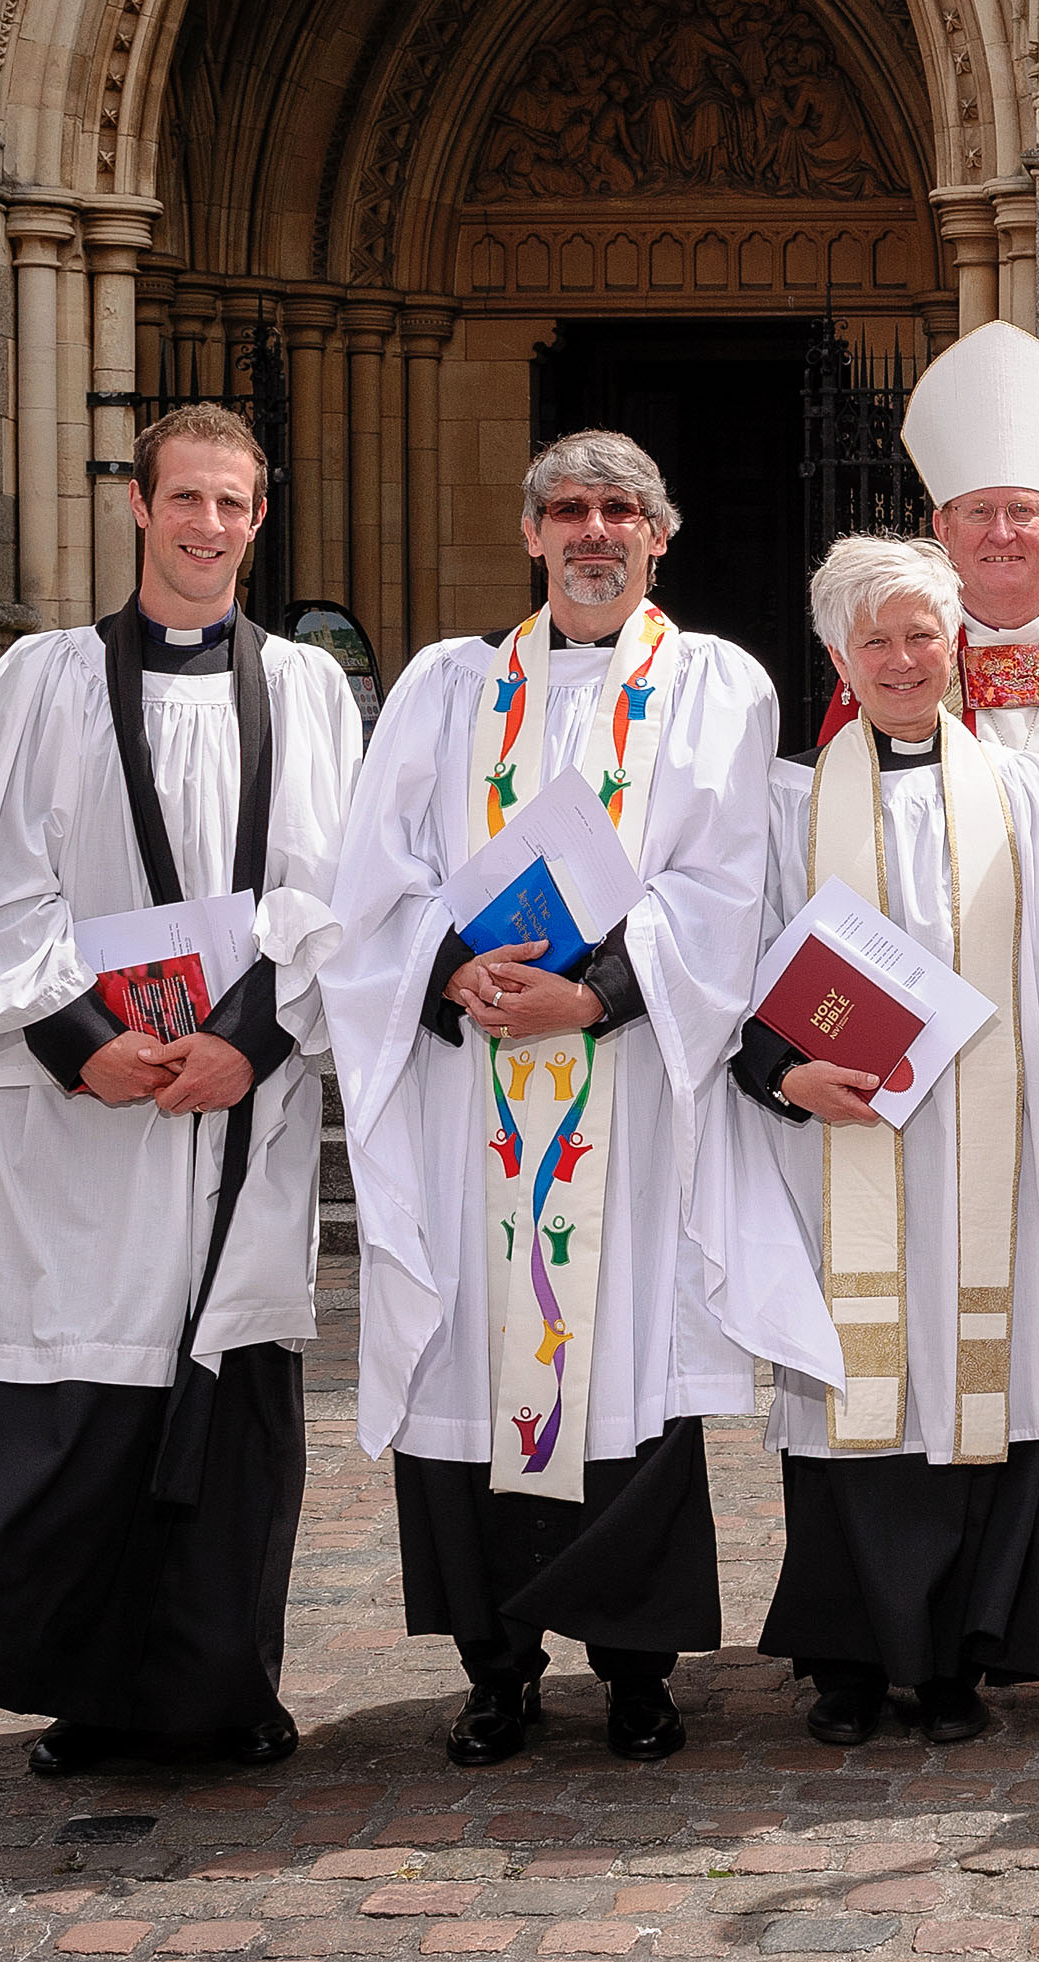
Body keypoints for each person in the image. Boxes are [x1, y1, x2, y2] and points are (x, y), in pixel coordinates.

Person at [0, 404, 359, 1776]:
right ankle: (94, 1690)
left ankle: (228, 1686)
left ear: (262, 515)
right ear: (138, 503)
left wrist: (250, 1037)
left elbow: (330, 892)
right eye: (183, 498)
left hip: (238, 1097)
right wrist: (82, 1042)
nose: (206, 526)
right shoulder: (43, 680)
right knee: (85, 1390)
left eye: (232, 504)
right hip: (82, 1113)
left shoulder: (307, 688)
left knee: (232, 1389)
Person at [323, 430, 776, 1768]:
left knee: (620, 1362)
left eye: (618, 509)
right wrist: (455, 969)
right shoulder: (443, 688)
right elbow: (376, 879)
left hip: (625, 1093)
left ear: (661, 533)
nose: (593, 530)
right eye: (567, 509)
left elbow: (726, 886)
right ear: (530, 535)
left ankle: (636, 1672)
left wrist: (598, 997)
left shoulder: (716, 687)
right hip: (474, 1097)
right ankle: (497, 1670)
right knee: (476, 1365)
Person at [697, 535, 1039, 1747]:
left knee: (982, 1392)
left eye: (921, 635)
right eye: (874, 638)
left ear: (956, 652)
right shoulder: (787, 802)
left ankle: (957, 1661)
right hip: (838, 1149)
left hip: (993, 1156)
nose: (900, 658)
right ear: (837, 655)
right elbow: (739, 987)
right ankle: (845, 1657)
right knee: (850, 1390)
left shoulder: (1024, 798)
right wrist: (787, 1077)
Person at [817, 320, 1039, 1669]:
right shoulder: (891, 668)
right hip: (930, 1084)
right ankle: (970, 1575)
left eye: (1022, 513)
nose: (1002, 536)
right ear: (941, 524)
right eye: (977, 515)